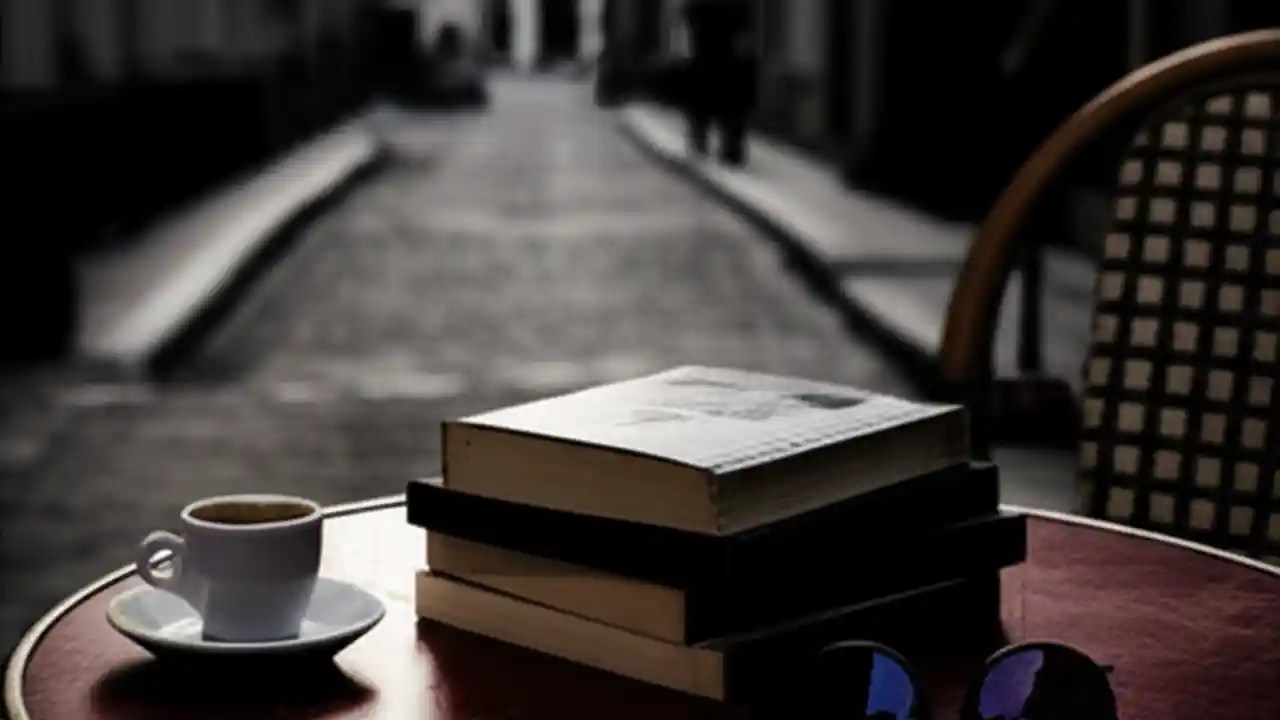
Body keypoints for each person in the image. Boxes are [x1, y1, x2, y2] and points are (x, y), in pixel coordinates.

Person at [682, 0, 757, 166]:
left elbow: (690, 19)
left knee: (711, 105)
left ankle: (720, 145)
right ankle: (728, 147)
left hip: (714, 58)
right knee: (728, 107)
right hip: (724, 59)